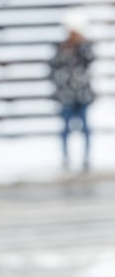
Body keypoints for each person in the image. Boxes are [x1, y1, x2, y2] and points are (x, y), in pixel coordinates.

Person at [50, 9, 95, 171]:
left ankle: (86, 158)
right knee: (65, 129)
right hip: (67, 95)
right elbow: (53, 67)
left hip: (81, 95)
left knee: (86, 128)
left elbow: (89, 60)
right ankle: (66, 159)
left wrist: (80, 45)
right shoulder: (61, 48)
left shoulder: (85, 47)